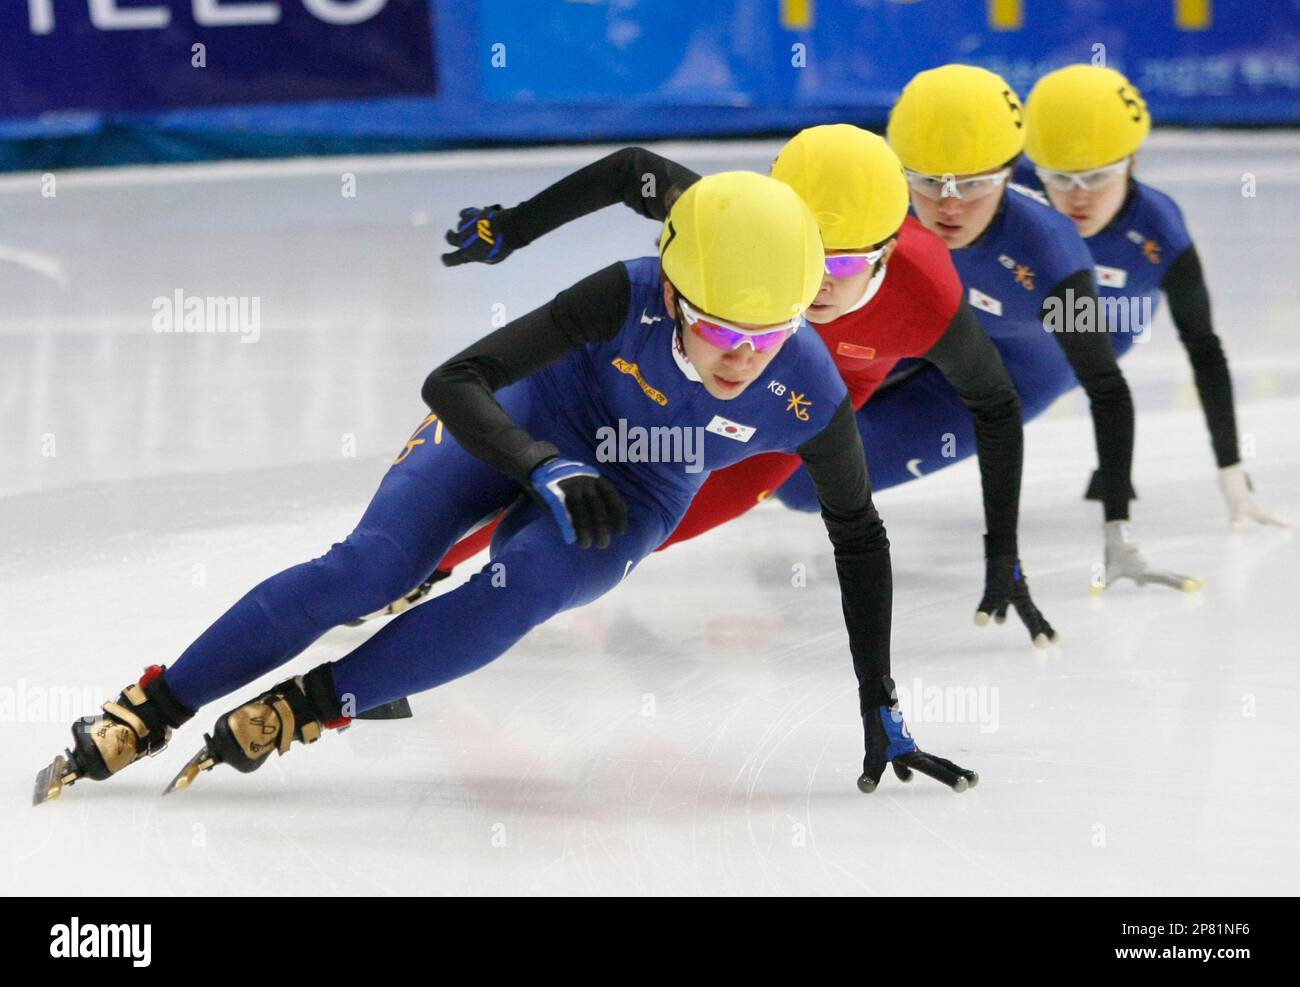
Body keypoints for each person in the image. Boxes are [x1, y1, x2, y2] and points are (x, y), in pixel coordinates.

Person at [34, 172, 977, 805]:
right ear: (674, 293)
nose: (742, 359)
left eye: (766, 336)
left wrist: (879, 703)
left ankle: (312, 703)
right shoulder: (628, 291)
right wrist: (541, 462)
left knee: (522, 586)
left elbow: (859, 536)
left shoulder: (806, 387)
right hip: (532, 418)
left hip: (639, 486)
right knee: (369, 567)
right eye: (720, 332)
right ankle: (153, 705)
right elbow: (456, 380)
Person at [408, 125, 1055, 645]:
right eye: (802, 249)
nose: (819, 280)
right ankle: (426, 567)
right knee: (570, 462)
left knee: (636, 526)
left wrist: (1004, 551)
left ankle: (467, 595)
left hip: (791, 413)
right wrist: (512, 229)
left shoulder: (929, 295)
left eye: (847, 263)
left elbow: (996, 405)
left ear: (886, 253)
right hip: (704, 361)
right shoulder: (750, 222)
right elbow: (631, 170)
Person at [777, 64, 1199, 593]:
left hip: (1012, 374)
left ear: (1007, 174)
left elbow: (1107, 388)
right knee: (771, 426)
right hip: (924, 333)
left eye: (974, 186)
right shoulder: (888, 193)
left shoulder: (1050, 253)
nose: (948, 204)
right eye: (928, 182)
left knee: (796, 486)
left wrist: (1117, 531)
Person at [1017, 64, 1288, 530]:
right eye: (1061, 178)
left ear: (1133, 163)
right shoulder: (1014, 186)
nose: (1077, 197)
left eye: (1098, 177)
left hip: (1106, 322)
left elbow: (1204, 350)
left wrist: (1232, 473)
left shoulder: (1160, 229)